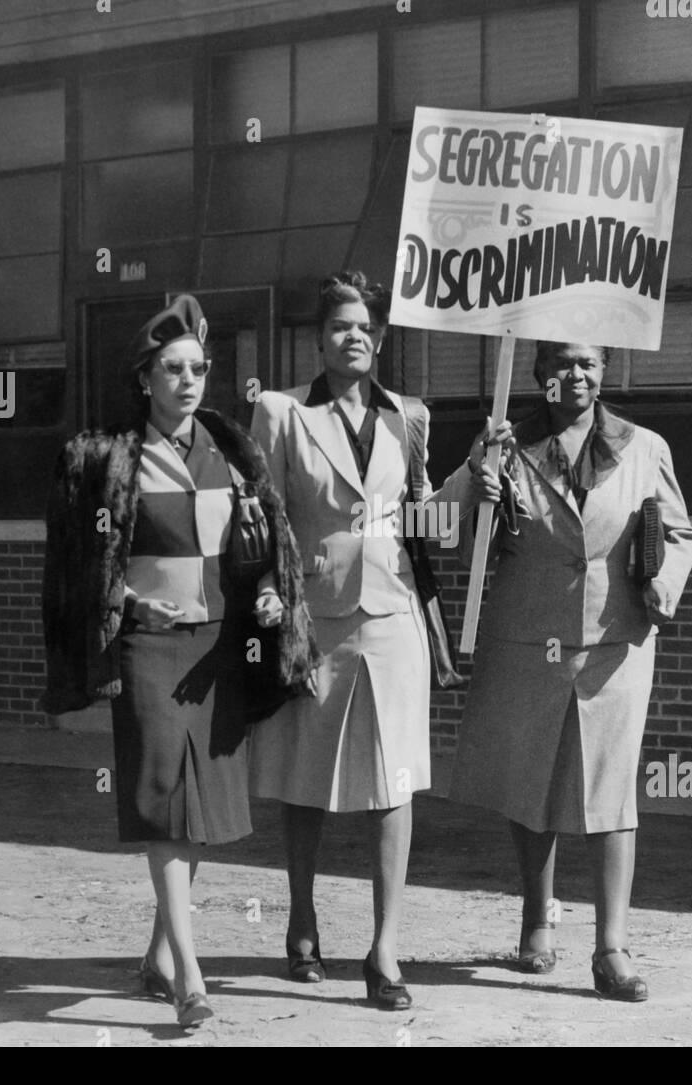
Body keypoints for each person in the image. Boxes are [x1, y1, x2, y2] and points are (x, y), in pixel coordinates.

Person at [41, 294, 318, 1031]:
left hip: (219, 647)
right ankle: (191, 978)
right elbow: (79, 565)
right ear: (145, 377)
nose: (189, 380)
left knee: (201, 811)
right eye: (173, 368)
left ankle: (160, 954)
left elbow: (260, 553)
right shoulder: (103, 458)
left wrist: (266, 598)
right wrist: (128, 602)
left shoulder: (232, 452)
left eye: (199, 368)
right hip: (147, 649)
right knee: (163, 792)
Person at [248, 270, 504, 1010]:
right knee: (307, 781)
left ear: (382, 338)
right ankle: (301, 921)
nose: (353, 337)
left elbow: (427, 525)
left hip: (394, 623)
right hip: (314, 620)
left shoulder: (408, 418)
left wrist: (472, 476)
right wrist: (267, 588)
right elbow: (259, 516)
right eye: (339, 327)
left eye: (366, 327)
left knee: (392, 787)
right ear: (319, 338)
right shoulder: (282, 414)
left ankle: (384, 951)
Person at [449, 341, 692, 1001]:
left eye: (587, 362)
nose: (575, 374)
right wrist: (478, 482)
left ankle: (611, 947)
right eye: (561, 362)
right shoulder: (503, 446)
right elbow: (456, 537)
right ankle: (537, 922)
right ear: (537, 374)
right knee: (535, 780)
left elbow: (678, 534)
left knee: (611, 791)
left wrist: (665, 586)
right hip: (527, 638)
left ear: (604, 370)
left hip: (615, 642)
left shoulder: (646, 446)